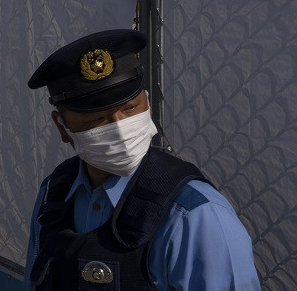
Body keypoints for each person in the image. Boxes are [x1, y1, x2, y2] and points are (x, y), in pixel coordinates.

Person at [24, 29, 260, 290]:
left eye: (130, 109)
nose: (120, 128)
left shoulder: (195, 215)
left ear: (147, 102)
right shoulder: (54, 194)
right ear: (62, 128)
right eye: (97, 120)